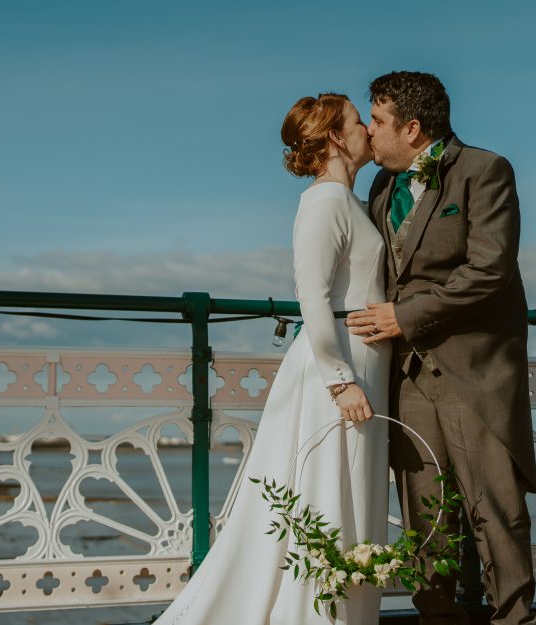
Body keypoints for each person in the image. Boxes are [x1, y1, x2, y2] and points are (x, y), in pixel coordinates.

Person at [154, 93, 391, 625]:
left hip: (365, 361)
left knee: (354, 495)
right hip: (340, 369)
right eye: (359, 122)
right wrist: (340, 380)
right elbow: (312, 298)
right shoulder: (324, 203)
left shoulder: (352, 200)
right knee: (328, 494)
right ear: (334, 136)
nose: (369, 132)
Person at [347, 71, 536, 625]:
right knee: (424, 519)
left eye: (377, 121)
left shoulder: (485, 172)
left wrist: (403, 316)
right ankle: (437, 618)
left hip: (474, 371)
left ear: (411, 128)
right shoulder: (381, 188)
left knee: (496, 511)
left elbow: (490, 270)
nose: (369, 130)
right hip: (405, 377)